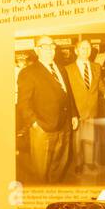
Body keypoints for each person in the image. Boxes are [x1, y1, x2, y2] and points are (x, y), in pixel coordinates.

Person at [16, 35, 78, 183]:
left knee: (59, 165)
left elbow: (68, 94)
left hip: (64, 126)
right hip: (43, 129)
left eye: (52, 46)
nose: (50, 49)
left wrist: (74, 114)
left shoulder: (61, 69)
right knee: (41, 171)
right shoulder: (28, 72)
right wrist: (35, 124)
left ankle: (53, 193)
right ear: (37, 50)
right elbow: (23, 103)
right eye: (45, 46)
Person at [66, 38, 101, 173]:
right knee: (77, 140)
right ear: (76, 51)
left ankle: (89, 162)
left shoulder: (96, 66)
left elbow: (99, 84)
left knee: (90, 138)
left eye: (88, 48)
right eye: (82, 48)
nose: (86, 51)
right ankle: (78, 163)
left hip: (92, 108)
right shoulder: (68, 69)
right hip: (77, 110)